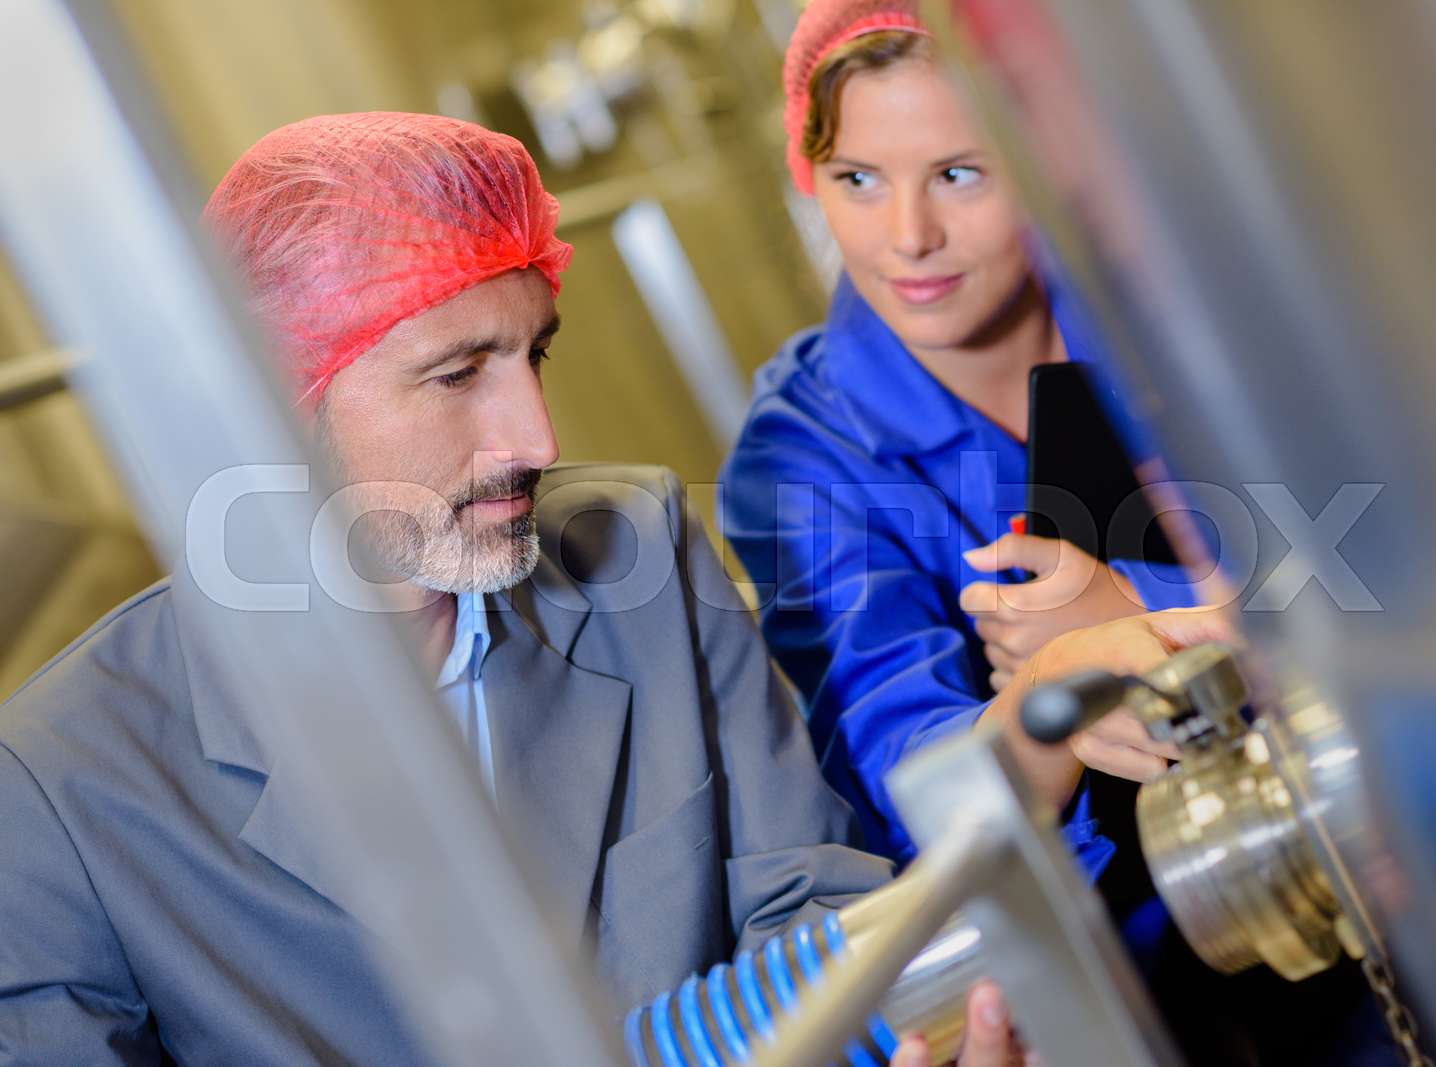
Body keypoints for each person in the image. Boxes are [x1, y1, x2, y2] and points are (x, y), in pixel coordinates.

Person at [0, 111, 1230, 1067]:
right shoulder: (57, 788)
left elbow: (808, 895)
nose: (534, 435)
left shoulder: (637, 552)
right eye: (456, 374)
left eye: (532, 353)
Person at [721, 0, 1200, 877]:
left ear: (1045, 156)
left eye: (958, 173)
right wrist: (1056, 686)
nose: (909, 237)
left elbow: (1403, 575)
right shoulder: (802, 454)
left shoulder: (1178, 303)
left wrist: (1141, 612)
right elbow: (912, 793)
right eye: (857, 179)